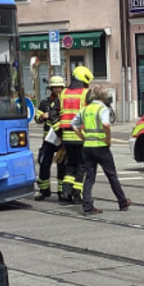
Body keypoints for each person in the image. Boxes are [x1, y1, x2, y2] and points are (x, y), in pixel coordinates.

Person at [73, 85, 131, 215]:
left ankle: (87, 206)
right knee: (111, 175)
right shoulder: (102, 109)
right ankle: (122, 202)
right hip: (101, 147)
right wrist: (108, 139)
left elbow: (74, 124)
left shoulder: (86, 109)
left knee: (89, 178)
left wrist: (83, 137)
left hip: (87, 147)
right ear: (104, 96)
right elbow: (105, 124)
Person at [57, 66, 94, 202]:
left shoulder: (64, 93)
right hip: (80, 135)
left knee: (70, 165)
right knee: (82, 165)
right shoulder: (86, 93)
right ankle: (77, 193)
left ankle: (66, 192)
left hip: (66, 136)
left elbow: (58, 112)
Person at [32, 75, 65, 200]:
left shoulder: (65, 101)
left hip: (61, 138)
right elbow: (37, 118)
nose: (57, 90)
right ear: (51, 88)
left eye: (59, 87)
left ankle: (62, 192)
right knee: (44, 163)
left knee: (62, 165)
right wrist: (42, 117)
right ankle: (44, 190)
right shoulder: (45, 102)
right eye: (55, 87)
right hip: (48, 139)